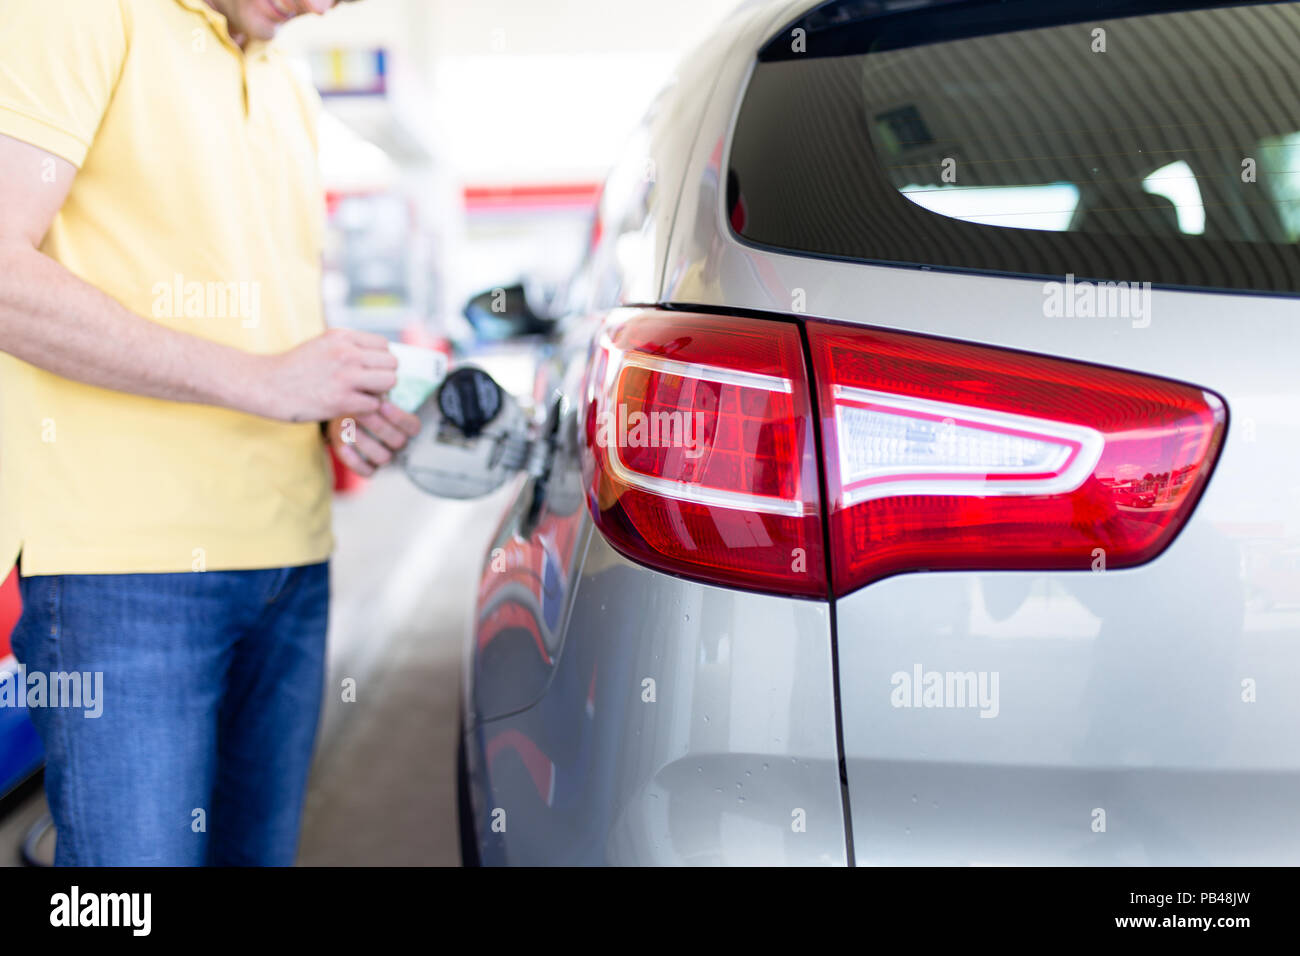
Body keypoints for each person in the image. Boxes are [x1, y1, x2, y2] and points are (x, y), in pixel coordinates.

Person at [0, 0, 417, 865]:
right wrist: (262, 381)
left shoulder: (286, 82)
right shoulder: (77, 14)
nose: (316, 7)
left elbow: (265, 321)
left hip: (291, 563)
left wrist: (340, 409)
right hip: (123, 575)